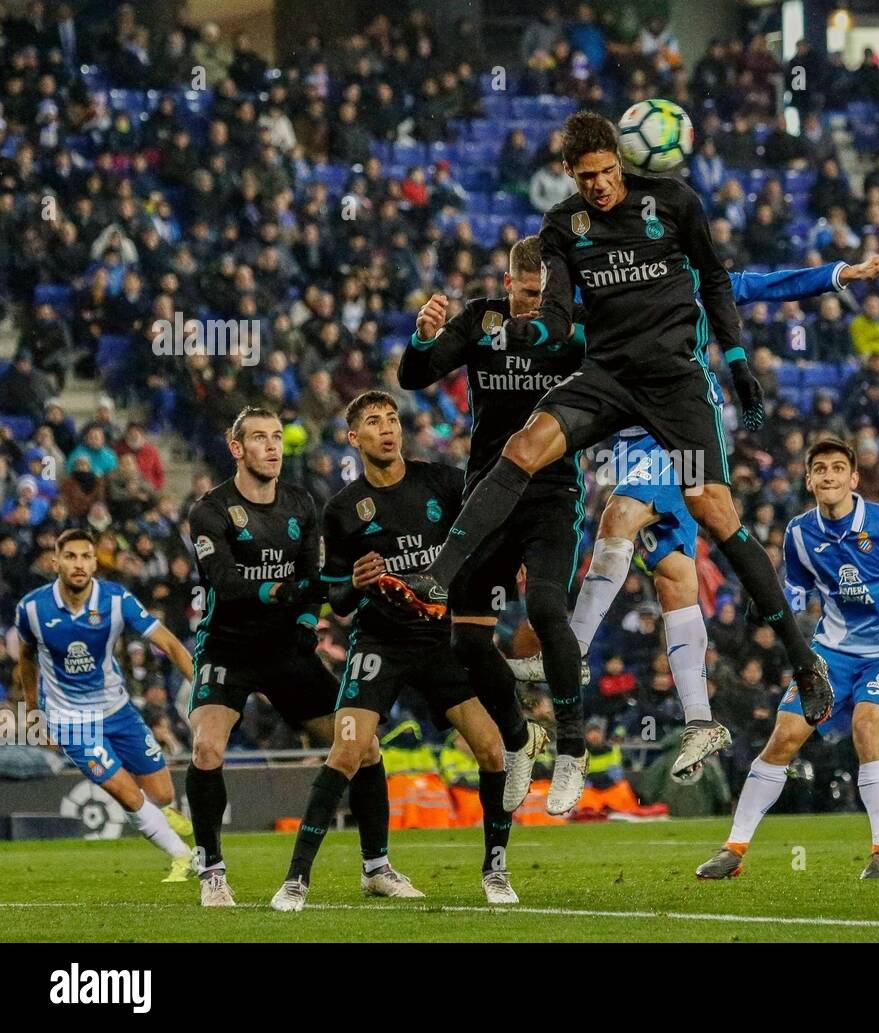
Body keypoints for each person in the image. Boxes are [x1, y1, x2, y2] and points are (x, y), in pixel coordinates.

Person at [381, 111, 839, 737]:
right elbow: (560, 318)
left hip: (677, 389)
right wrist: (519, 330)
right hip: (608, 378)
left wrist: (737, 363)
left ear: (621, 163)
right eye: (586, 175)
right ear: (568, 173)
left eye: (607, 172)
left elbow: (714, 280)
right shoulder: (562, 226)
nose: (599, 186)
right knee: (524, 444)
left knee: (714, 511)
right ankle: (436, 579)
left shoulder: (675, 201)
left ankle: (802, 658)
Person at [506, 257, 879, 782]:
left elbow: (770, 281)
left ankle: (573, 651)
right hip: (630, 439)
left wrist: (842, 273)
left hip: (682, 430)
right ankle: (699, 720)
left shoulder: (692, 283)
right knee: (675, 577)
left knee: (618, 517)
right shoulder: (603, 300)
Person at [271, 391, 519, 908]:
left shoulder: (443, 482)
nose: (387, 429)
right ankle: (296, 880)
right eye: (374, 423)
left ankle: (495, 871)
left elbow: (486, 527)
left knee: (492, 749)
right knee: (348, 748)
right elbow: (336, 598)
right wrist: (355, 583)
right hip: (379, 641)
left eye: (392, 420)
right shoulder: (342, 510)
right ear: (353, 437)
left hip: (437, 640)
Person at [695, 437, 879, 880]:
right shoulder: (800, 531)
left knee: (867, 724)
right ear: (810, 479)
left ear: (854, 479)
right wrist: (771, 600)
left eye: (838, 468)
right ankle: (734, 848)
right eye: (821, 469)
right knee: (783, 739)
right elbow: (798, 589)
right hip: (831, 653)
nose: (829, 475)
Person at [394, 236, 583, 816]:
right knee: (468, 639)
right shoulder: (482, 321)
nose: (535, 307)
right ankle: (522, 738)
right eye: (527, 294)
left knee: (548, 610)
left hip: (551, 493)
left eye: (544, 296)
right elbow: (413, 376)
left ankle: (572, 749)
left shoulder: (570, 330)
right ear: (507, 285)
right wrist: (423, 338)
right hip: (487, 493)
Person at [185, 408, 403, 907]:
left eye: (278, 437)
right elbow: (223, 581)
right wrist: (279, 593)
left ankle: (377, 867)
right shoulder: (210, 510)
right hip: (228, 647)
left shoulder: (302, 503)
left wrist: (306, 621)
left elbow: (311, 580)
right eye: (259, 438)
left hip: (287, 650)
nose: (272, 446)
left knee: (364, 747)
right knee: (206, 750)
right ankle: (213, 873)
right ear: (236, 448)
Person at [14, 529, 196, 882]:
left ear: (96, 563)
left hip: (118, 710)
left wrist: (201, 689)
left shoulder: (116, 601)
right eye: (70, 557)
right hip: (71, 719)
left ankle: (161, 816)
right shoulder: (32, 608)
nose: (78, 564)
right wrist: (35, 713)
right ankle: (184, 856)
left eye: (85, 556)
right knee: (125, 792)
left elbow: (171, 644)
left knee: (162, 793)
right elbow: (26, 658)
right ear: (56, 562)